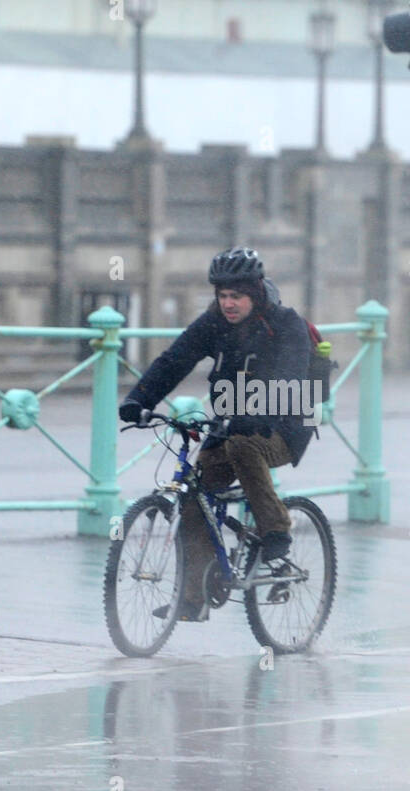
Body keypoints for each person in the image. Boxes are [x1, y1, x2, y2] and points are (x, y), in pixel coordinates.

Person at [119, 247, 316, 621]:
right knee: (194, 495)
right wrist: (138, 399)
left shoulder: (285, 324)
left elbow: (288, 377)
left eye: (236, 296)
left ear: (255, 293)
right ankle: (195, 599)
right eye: (223, 296)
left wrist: (259, 412)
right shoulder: (213, 324)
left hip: (284, 424)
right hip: (230, 424)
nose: (228, 303)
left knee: (243, 447)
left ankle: (276, 533)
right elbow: (173, 361)